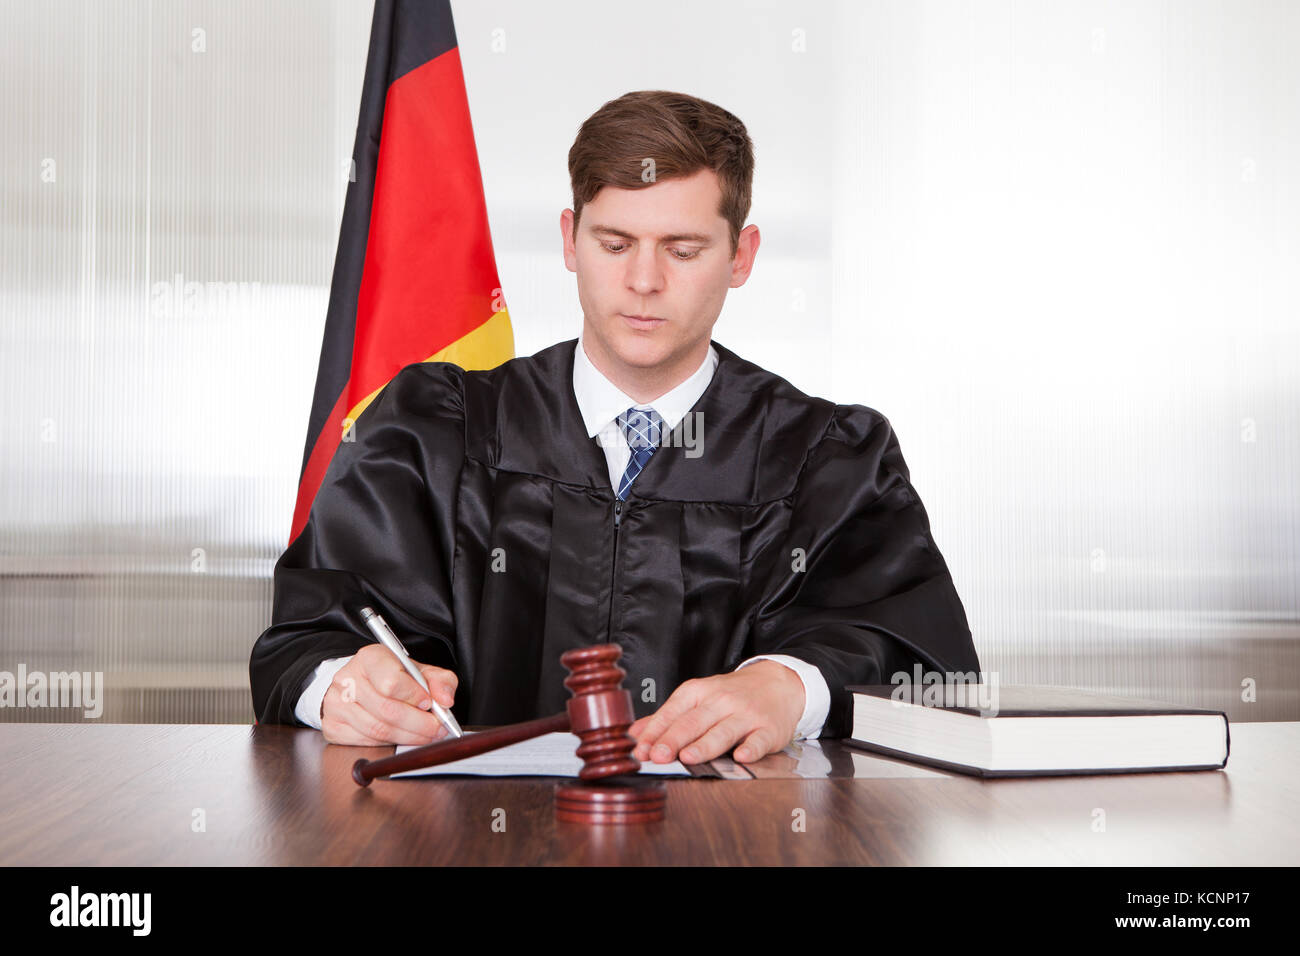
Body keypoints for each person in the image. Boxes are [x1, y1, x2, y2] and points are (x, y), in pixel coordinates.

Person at [249, 89, 980, 766]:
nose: (643, 282)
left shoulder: (827, 460)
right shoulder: (436, 433)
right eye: (614, 243)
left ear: (741, 257)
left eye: (683, 249)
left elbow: (926, 664)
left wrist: (791, 687)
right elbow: (307, 636)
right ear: (570, 241)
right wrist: (342, 684)